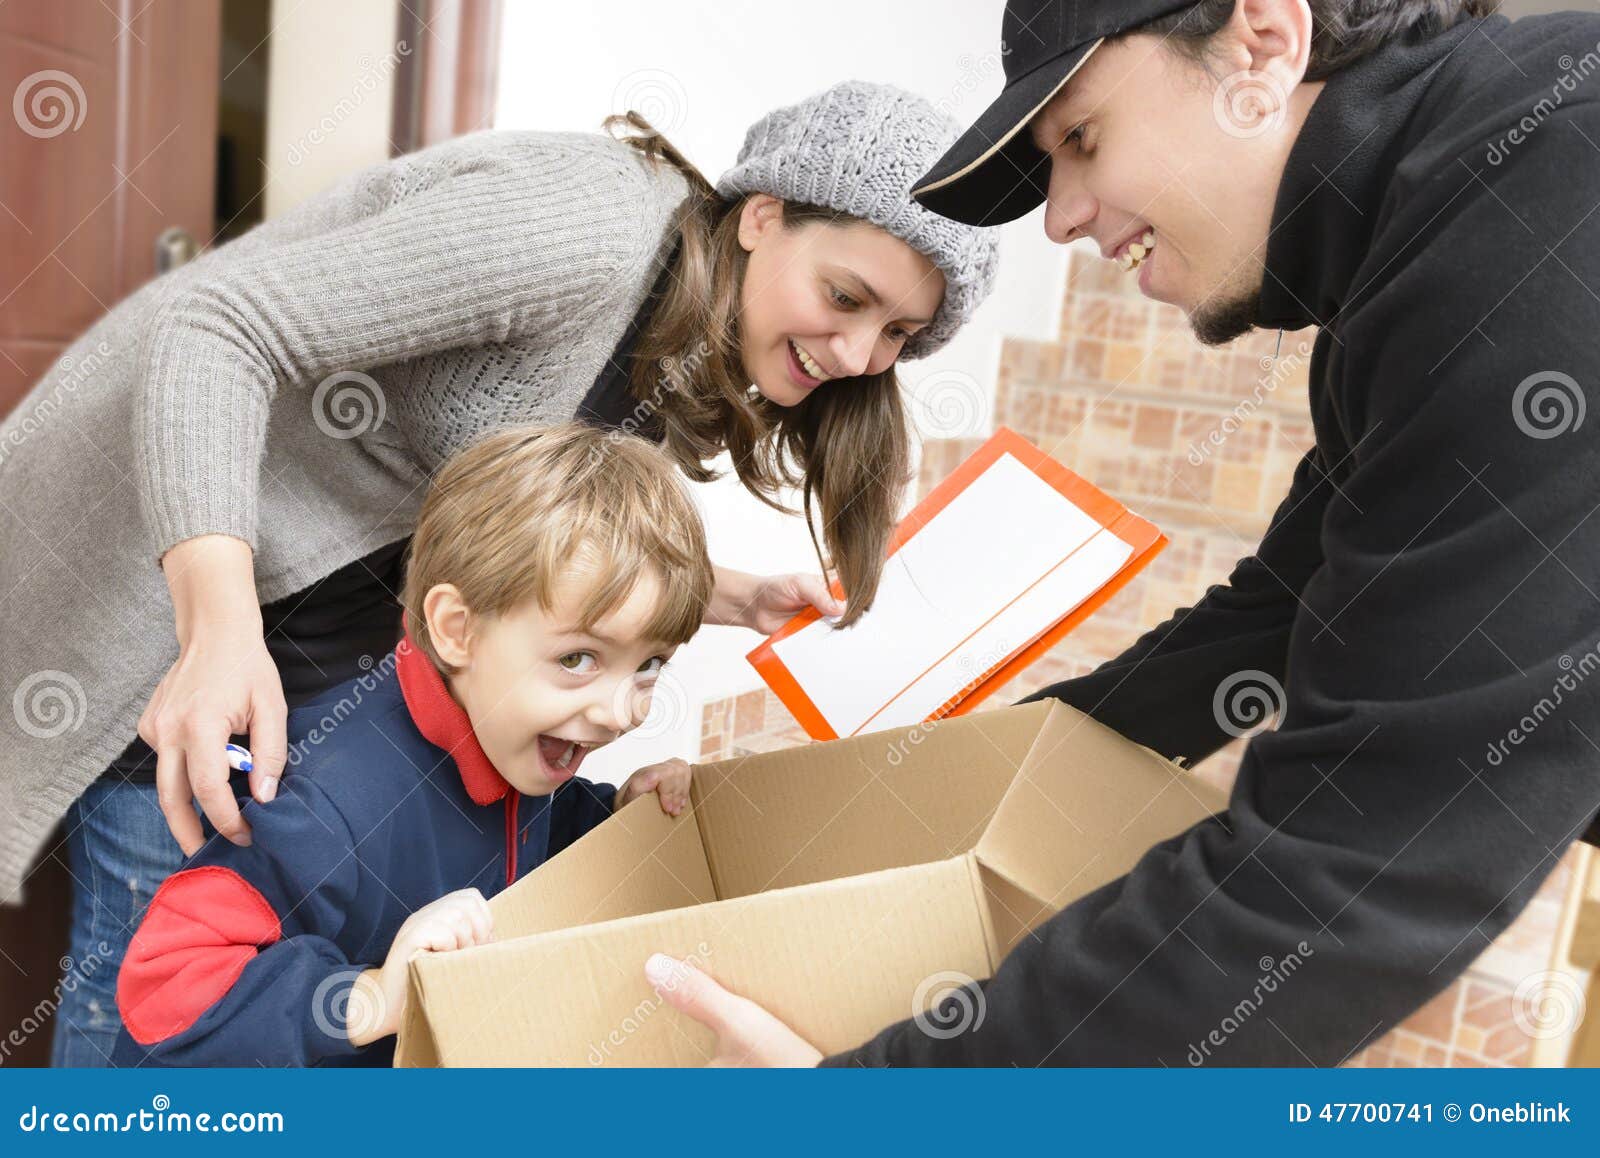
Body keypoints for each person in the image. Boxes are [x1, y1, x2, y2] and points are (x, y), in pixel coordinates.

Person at [649, 0, 1600, 1066]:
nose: (1058, 217)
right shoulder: (1424, 245)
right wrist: (937, 794)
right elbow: (1262, 625)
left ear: (1263, 42)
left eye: (1082, 140)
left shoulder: (1535, 205)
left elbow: (1356, 868)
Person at [0, 79, 999, 1065]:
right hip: (169, 576)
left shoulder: (693, 329)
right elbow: (215, 329)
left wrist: (722, 593)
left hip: (318, 626)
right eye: (845, 297)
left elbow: (504, 477)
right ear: (763, 219)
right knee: (158, 1019)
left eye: (900, 336)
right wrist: (218, 628)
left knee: (300, 984)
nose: (862, 351)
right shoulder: (582, 231)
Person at [112, 423, 708, 1066]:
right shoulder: (331, 808)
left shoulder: (509, 736)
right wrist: (368, 998)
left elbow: (519, 835)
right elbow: (164, 990)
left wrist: (615, 814)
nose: (624, 710)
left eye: (650, 666)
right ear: (457, 631)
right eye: (579, 658)